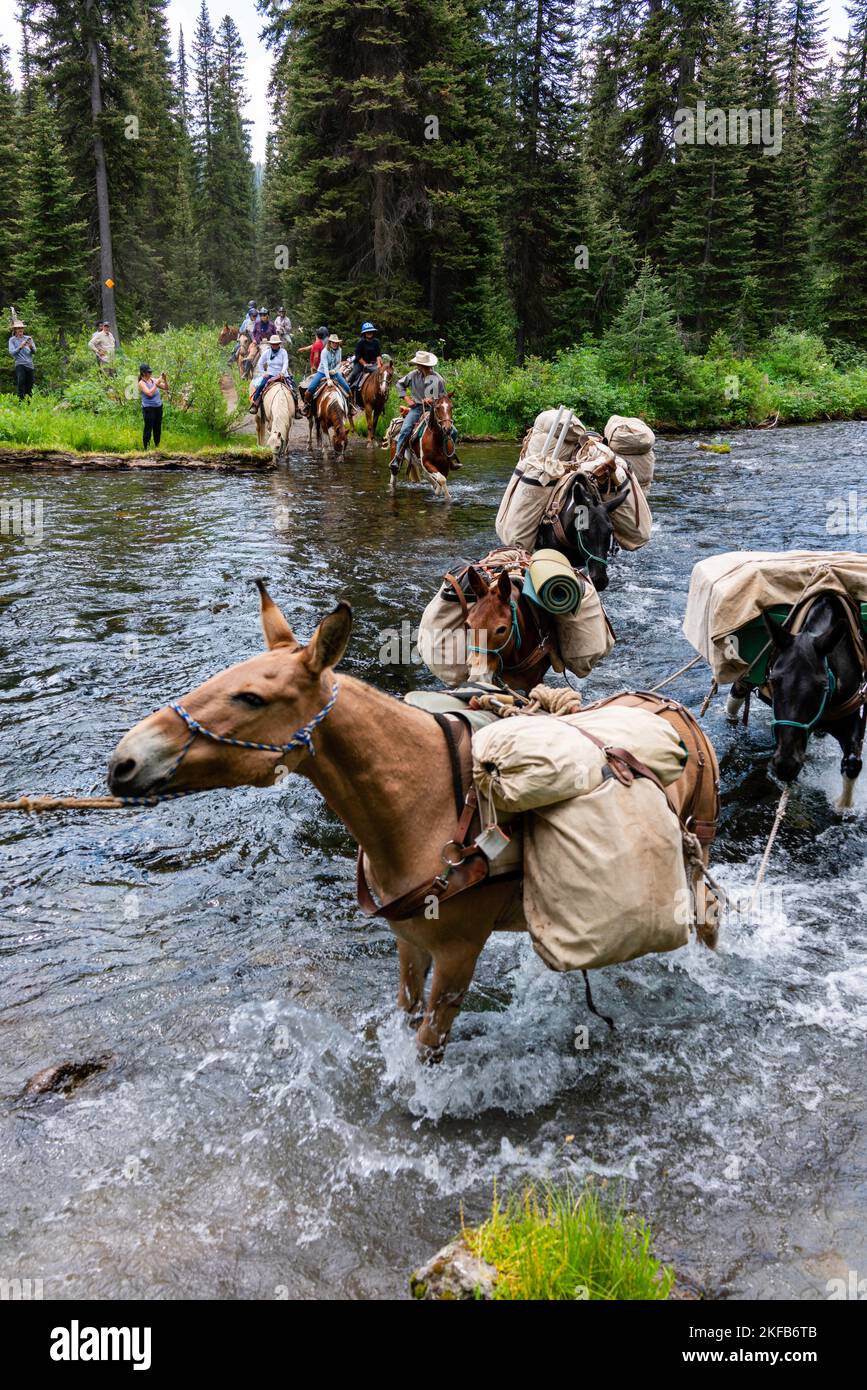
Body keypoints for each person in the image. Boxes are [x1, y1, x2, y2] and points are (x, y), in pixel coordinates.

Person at [393, 350, 456, 466]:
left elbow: (444, 398)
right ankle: (398, 457)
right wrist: (407, 398)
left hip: (435, 410)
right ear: (419, 366)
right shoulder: (412, 375)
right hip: (417, 408)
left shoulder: (438, 379)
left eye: (428, 366)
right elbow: (399, 384)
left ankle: (450, 457)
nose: (427, 368)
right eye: (424, 366)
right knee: (405, 429)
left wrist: (433, 400)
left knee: (454, 431)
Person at [305, 333, 353, 410]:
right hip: (322, 372)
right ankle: (307, 406)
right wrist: (328, 379)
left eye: (336, 343)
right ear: (330, 342)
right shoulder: (325, 351)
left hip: (334, 372)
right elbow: (325, 365)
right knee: (311, 388)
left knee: (347, 388)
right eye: (333, 342)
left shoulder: (339, 350)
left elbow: (339, 363)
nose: (335, 344)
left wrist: (335, 370)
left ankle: (350, 407)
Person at [249, 334, 291, 412]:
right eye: (273, 344)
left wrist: (282, 372)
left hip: (282, 375)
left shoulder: (283, 352)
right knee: (261, 386)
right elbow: (260, 363)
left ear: (279, 344)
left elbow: (285, 363)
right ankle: (255, 404)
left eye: (276, 344)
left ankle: (297, 408)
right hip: (270, 374)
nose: (274, 346)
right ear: (271, 344)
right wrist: (263, 373)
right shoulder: (267, 352)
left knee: (292, 388)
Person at [346, 320, 383, 396]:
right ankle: (348, 388)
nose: (369, 333)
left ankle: (382, 391)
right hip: (360, 362)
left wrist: (379, 364)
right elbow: (358, 356)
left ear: (373, 332)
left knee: (383, 374)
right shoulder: (360, 342)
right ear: (364, 333)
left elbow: (378, 354)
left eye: (370, 331)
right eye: (367, 332)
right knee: (354, 374)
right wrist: (365, 364)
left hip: (373, 363)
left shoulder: (376, 342)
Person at [138, 363, 167, 449]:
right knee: (148, 428)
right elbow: (149, 393)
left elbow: (166, 388)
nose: (150, 373)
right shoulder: (141, 383)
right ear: (143, 373)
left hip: (158, 407)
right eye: (148, 372)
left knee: (157, 428)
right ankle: (146, 448)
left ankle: (157, 447)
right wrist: (157, 384)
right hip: (148, 408)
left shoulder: (153, 380)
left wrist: (165, 379)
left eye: (151, 371)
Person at [8, 319, 36, 400]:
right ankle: (21, 402)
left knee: (30, 385)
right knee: (21, 383)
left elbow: (34, 351)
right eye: (18, 328)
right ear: (15, 330)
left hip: (30, 365)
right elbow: (12, 352)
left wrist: (30, 347)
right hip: (20, 364)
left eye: (21, 327)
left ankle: (28, 403)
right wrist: (20, 346)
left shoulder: (28, 338)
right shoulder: (12, 340)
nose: (20, 329)